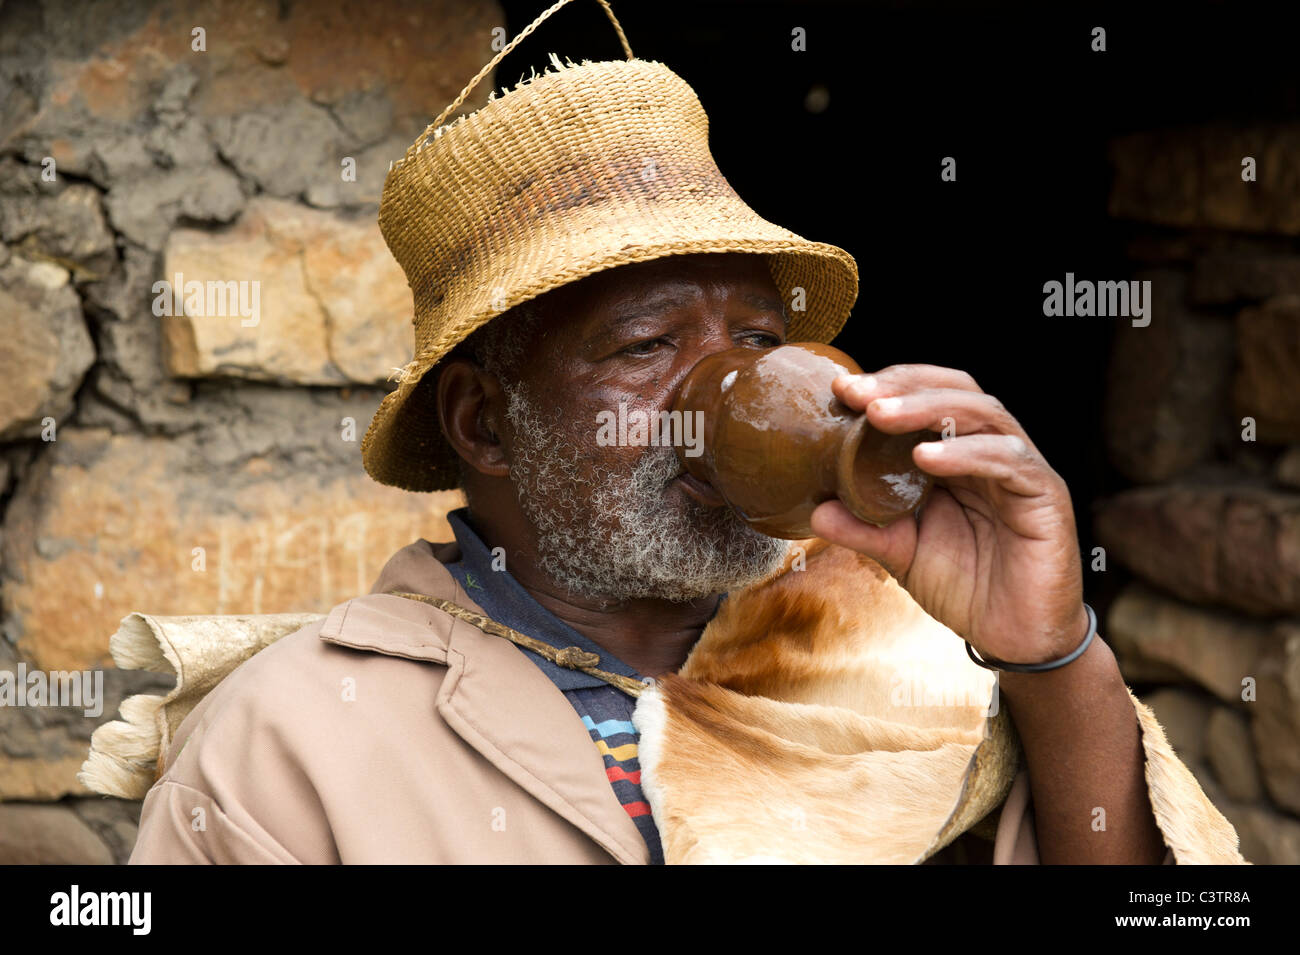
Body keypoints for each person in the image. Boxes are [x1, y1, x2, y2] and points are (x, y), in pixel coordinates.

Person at [127, 8, 1242, 864]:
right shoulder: (294, 741)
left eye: (758, 339)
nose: (726, 391)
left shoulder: (904, 667)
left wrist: (1045, 650)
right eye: (646, 345)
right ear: (485, 421)